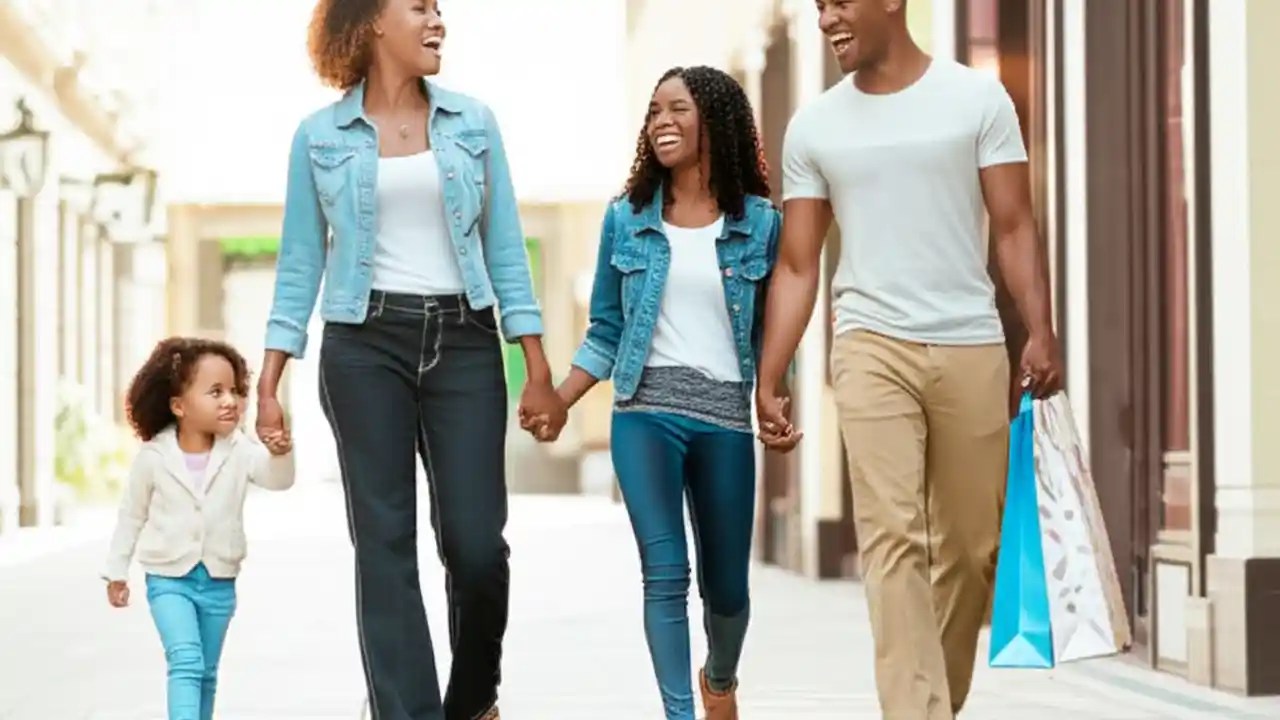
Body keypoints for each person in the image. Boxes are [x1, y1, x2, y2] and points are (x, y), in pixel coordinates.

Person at [755, 1, 1064, 719]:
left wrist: (1040, 329)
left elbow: (1014, 225)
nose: (828, 18)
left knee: (969, 549)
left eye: (839, 2)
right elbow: (800, 265)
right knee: (893, 540)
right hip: (869, 346)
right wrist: (774, 371)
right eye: (819, 7)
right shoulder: (815, 126)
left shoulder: (977, 99)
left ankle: (932, 707)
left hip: (971, 343)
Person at [256, 1, 564, 718]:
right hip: (364, 344)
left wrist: (537, 366)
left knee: (476, 545)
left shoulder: (473, 124)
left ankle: (474, 695)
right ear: (370, 23)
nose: (438, 20)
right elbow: (300, 263)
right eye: (419, 6)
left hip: (464, 339)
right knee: (385, 546)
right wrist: (271, 379)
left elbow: (506, 248)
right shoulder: (319, 137)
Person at [528, 65, 777, 720]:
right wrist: (560, 397)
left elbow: (777, 331)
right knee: (665, 575)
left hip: (725, 419)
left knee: (728, 590)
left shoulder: (761, 225)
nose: (662, 121)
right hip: (645, 416)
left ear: (715, 122)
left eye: (679, 109)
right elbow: (606, 330)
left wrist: (777, 397)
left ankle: (718, 681)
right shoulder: (627, 219)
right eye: (654, 111)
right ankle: (678, 714)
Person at [102, 337, 295, 720]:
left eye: (235, 391)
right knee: (186, 661)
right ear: (179, 406)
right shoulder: (154, 458)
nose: (230, 400)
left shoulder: (239, 450)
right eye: (215, 391)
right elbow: (131, 516)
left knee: (205, 673)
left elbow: (278, 481)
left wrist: (281, 452)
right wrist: (116, 571)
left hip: (219, 581)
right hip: (168, 579)